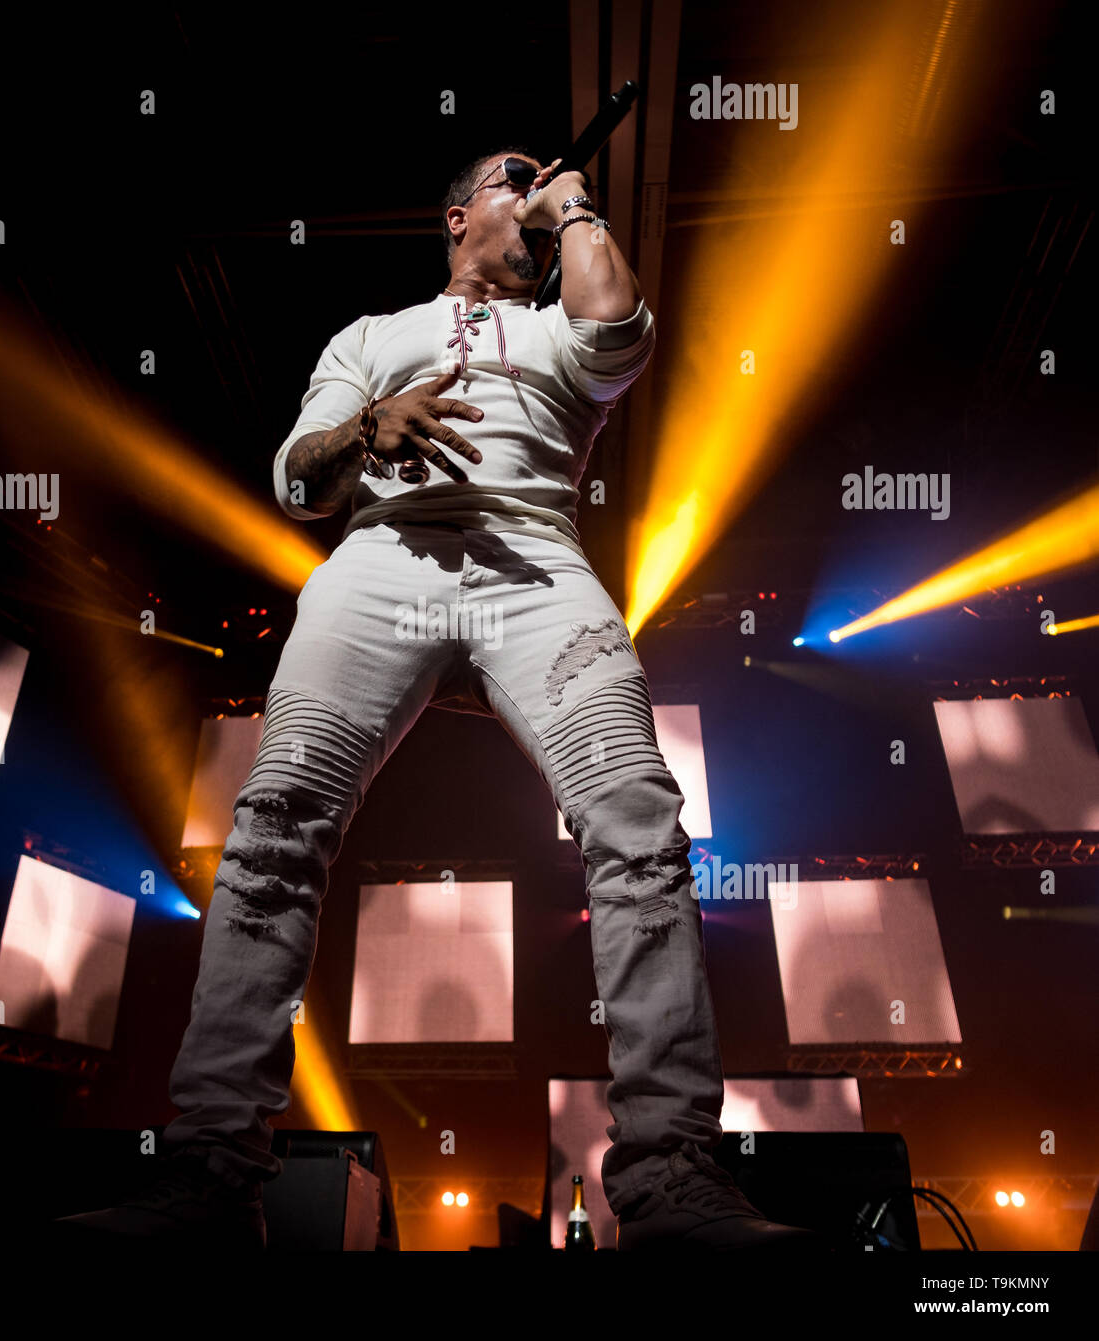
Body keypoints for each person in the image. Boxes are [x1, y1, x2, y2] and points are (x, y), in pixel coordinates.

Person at [59, 146, 818, 1252]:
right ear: (457, 216)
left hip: (534, 556)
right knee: (272, 832)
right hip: (383, 556)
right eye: (518, 177)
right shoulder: (367, 337)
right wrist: (366, 428)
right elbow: (298, 481)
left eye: (551, 178)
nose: (543, 184)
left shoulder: (560, 317)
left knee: (640, 825)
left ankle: (670, 1179)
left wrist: (575, 212)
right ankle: (211, 1174)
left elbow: (617, 337)